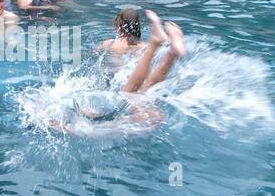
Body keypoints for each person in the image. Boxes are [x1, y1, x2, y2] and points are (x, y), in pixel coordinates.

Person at [54, 10, 186, 134]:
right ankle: (171, 52)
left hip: (120, 84)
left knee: (131, 92)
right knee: (145, 86)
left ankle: (163, 47)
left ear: (119, 26)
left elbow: (88, 56)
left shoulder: (110, 44)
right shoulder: (142, 46)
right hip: (135, 79)